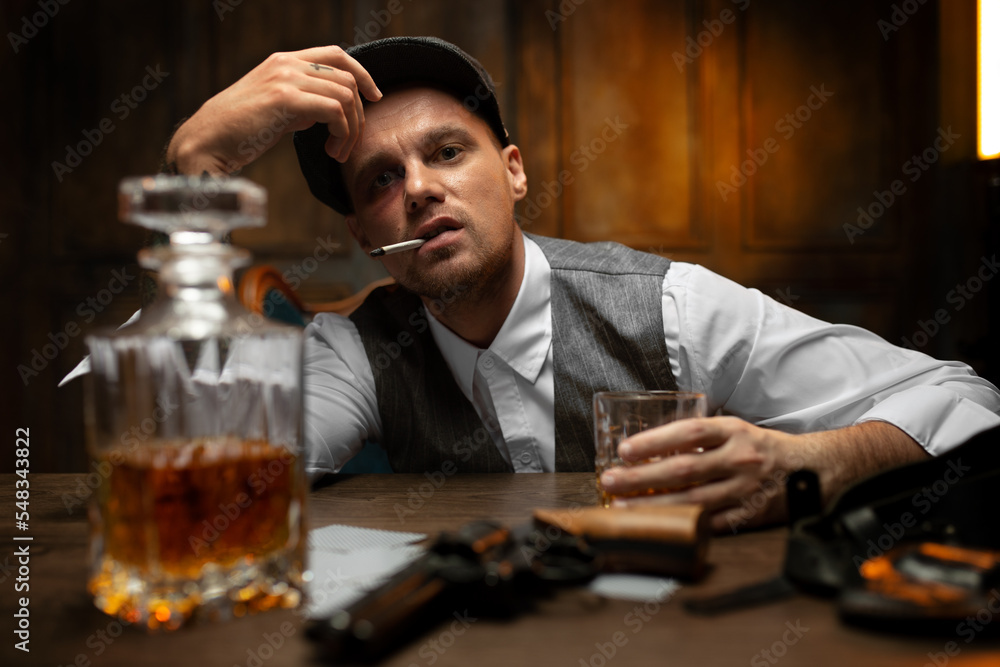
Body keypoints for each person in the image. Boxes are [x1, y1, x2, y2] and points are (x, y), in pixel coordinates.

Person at [163, 36, 1000, 532]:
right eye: (380, 180)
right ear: (363, 235)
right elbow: (206, 479)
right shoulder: (356, 352)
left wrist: (811, 461)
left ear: (514, 173)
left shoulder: (672, 307)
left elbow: (962, 394)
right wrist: (192, 174)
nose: (417, 188)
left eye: (448, 152)